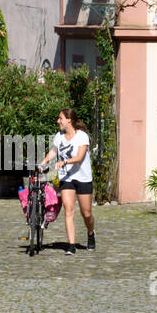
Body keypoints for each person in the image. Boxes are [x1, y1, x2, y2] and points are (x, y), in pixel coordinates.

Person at [40, 107, 95, 254]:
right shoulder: (59, 136)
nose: (58, 121)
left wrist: (64, 162)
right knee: (68, 210)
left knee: (86, 213)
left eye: (61, 118)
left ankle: (91, 233)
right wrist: (44, 162)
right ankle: (71, 245)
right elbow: (54, 151)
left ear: (69, 120)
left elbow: (79, 157)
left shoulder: (82, 136)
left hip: (83, 177)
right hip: (67, 178)